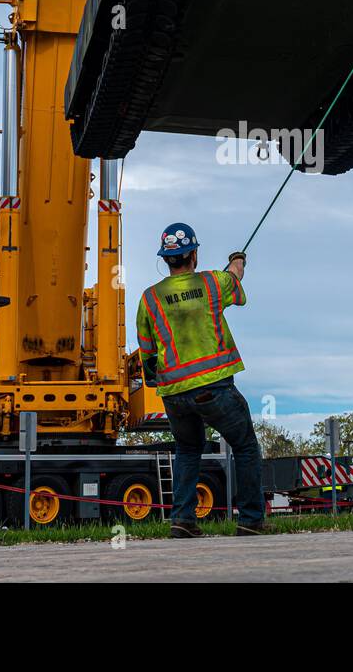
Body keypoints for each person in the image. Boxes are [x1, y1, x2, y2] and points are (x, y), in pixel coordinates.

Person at [137, 222, 266, 537]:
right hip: (214, 387)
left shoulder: (150, 298)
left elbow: (147, 350)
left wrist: (156, 380)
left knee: (187, 450)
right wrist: (239, 259)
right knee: (245, 447)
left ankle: (183, 520)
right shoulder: (213, 283)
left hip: (174, 394)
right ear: (193, 254)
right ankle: (250, 521)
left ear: (166, 259)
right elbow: (235, 276)